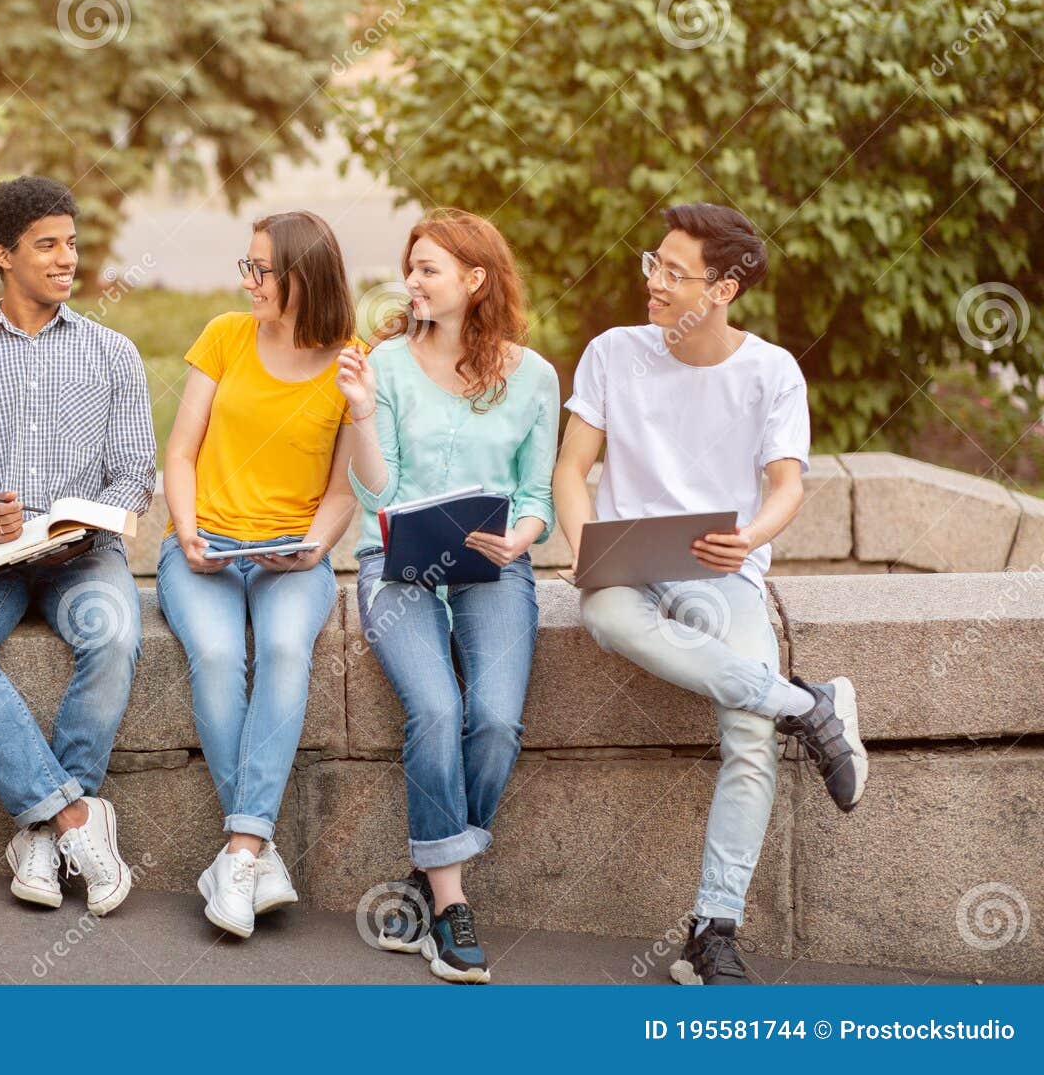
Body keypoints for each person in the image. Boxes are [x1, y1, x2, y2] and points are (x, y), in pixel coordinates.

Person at [553, 202, 869, 986]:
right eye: (652, 265)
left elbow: (788, 485)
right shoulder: (612, 354)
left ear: (724, 288)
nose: (653, 283)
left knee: (748, 730)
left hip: (721, 569)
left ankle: (713, 928)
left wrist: (752, 536)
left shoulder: (770, 372)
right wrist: (585, 547)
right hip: (628, 566)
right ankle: (808, 702)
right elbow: (569, 470)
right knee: (606, 615)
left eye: (673, 272)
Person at [0, 176, 156, 918]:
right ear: (2, 255)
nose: (66, 258)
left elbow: (135, 473)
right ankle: (74, 816)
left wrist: (90, 522)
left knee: (114, 632)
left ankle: (46, 836)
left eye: (72, 243)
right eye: (47, 245)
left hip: (82, 557)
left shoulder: (113, 353)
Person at [336, 208, 559, 983]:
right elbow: (378, 489)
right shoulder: (387, 365)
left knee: (494, 719)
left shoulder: (534, 376)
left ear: (475, 280)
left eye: (430, 268)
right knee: (434, 708)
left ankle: (424, 879)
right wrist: (362, 411)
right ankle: (454, 904)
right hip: (397, 564)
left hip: (495, 565)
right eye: (412, 266)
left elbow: (537, 494)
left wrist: (523, 536)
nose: (413, 281)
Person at [157, 211, 359, 939]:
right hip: (204, 542)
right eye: (246, 266)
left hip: (292, 553)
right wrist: (185, 532)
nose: (248, 281)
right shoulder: (224, 336)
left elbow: (347, 490)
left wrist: (311, 547)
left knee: (281, 651)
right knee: (214, 654)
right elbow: (180, 453)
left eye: (261, 270)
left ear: (305, 277)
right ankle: (256, 850)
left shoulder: (348, 363)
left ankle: (239, 850)